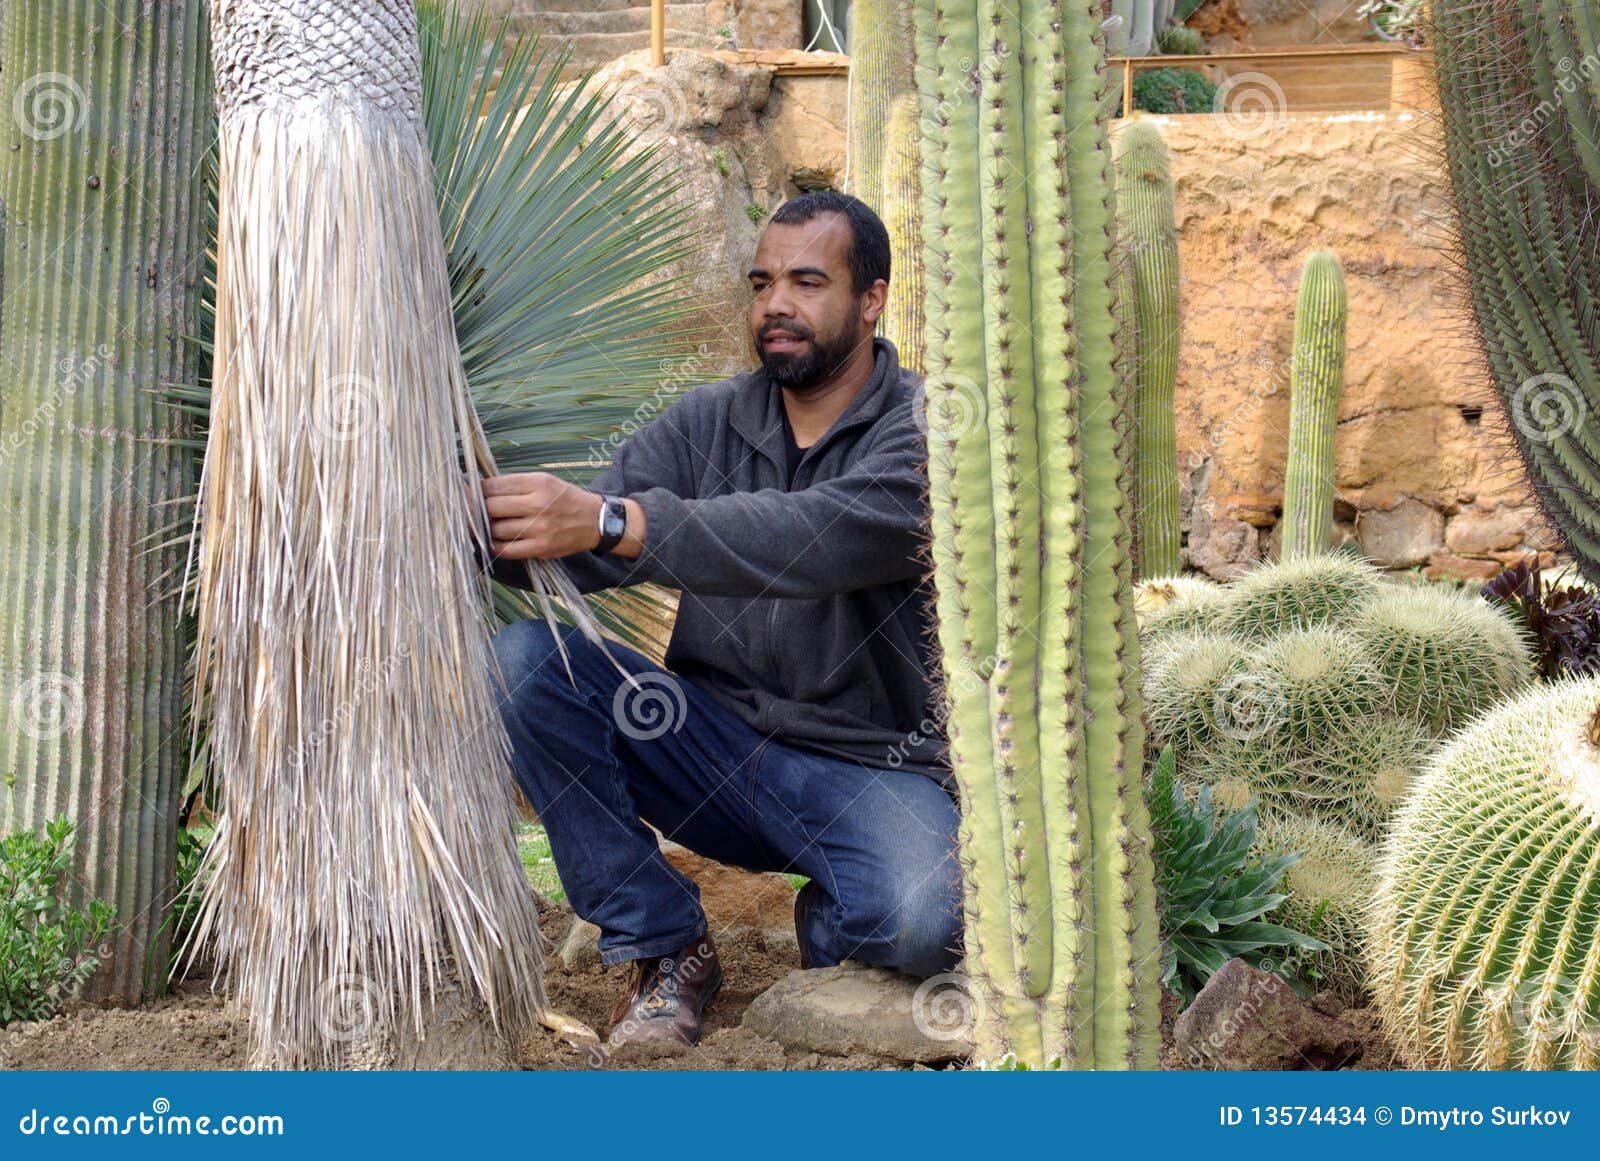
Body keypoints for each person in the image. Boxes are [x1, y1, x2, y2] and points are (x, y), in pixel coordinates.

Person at [482, 191, 961, 1048]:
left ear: (872, 299)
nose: (776, 303)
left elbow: (817, 539)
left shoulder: (924, 426)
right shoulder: (705, 422)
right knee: (525, 660)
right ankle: (664, 941)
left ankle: (839, 917)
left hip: (868, 770)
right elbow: (581, 546)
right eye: (762, 282)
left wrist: (612, 520)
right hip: (708, 749)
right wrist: (480, 513)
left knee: (928, 918)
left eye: (808, 282)